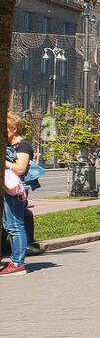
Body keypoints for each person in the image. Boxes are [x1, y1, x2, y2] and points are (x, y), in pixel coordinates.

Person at [2, 113, 34, 276]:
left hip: (15, 190)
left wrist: (4, 162)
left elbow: (21, 168)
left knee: (15, 226)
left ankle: (18, 263)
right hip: (7, 188)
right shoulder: (9, 146)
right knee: (8, 225)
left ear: (13, 129)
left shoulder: (23, 146)